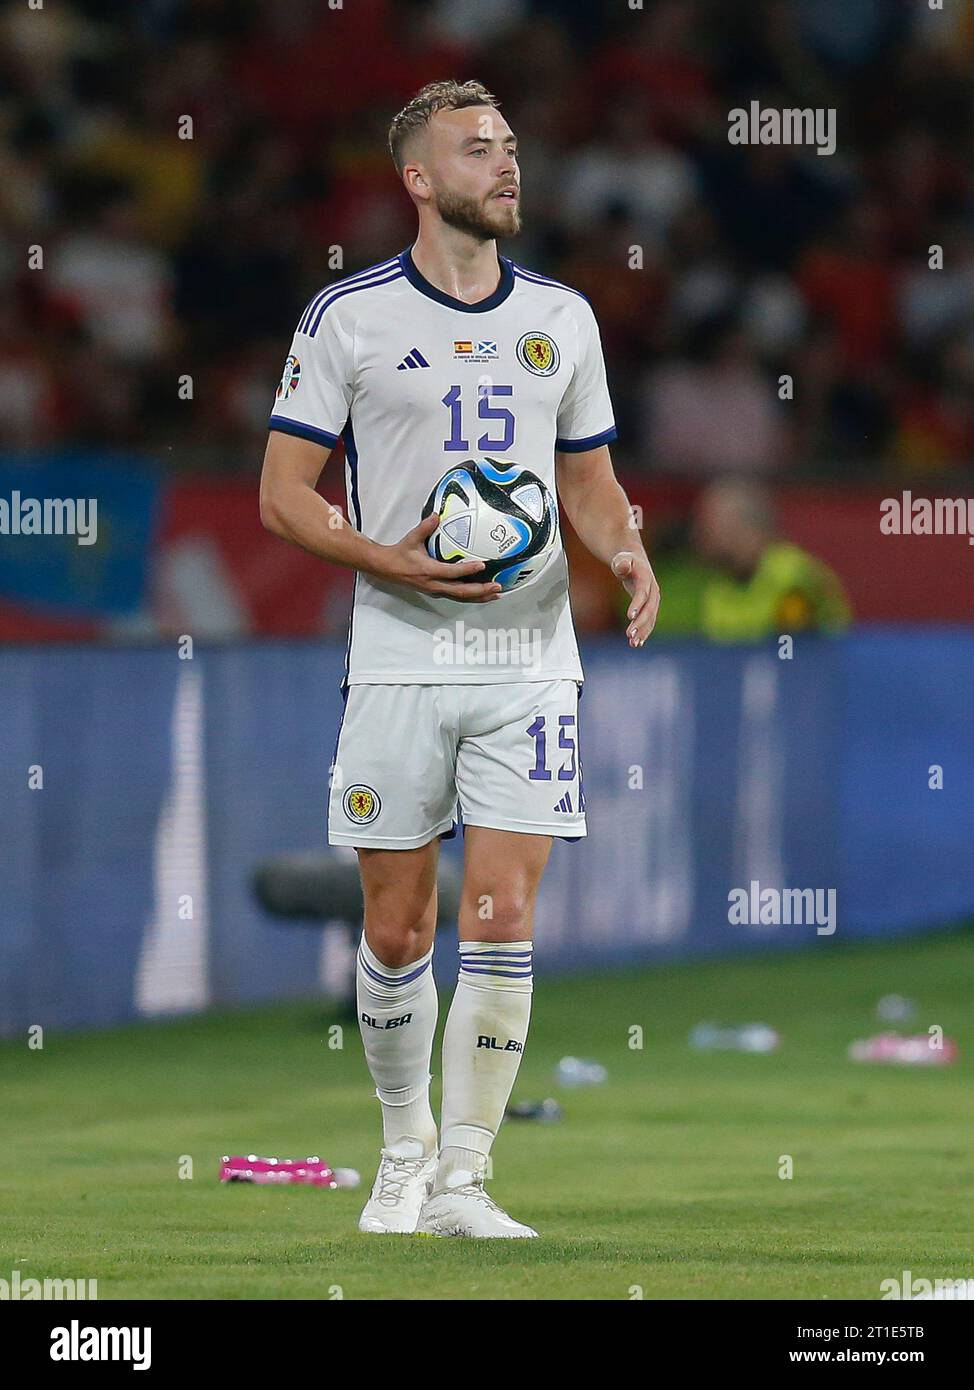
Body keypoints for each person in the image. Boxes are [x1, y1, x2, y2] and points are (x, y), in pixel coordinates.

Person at [259, 79, 660, 1238]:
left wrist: (626, 550)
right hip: (394, 655)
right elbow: (283, 496)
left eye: (511, 146)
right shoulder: (349, 319)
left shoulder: (565, 319)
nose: (505, 165)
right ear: (419, 180)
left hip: (528, 659)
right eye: (475, 149)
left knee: (501, 909)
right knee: (396, 928)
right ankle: (400, 1150)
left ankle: (464, 1179)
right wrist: (385, 558)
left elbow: (587, 479)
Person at [693, 478, 850, 641]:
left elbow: (798, 653)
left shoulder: (792, 574)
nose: (700, 534)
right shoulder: (717, 588)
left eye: (709, 523)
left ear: (742, 525)